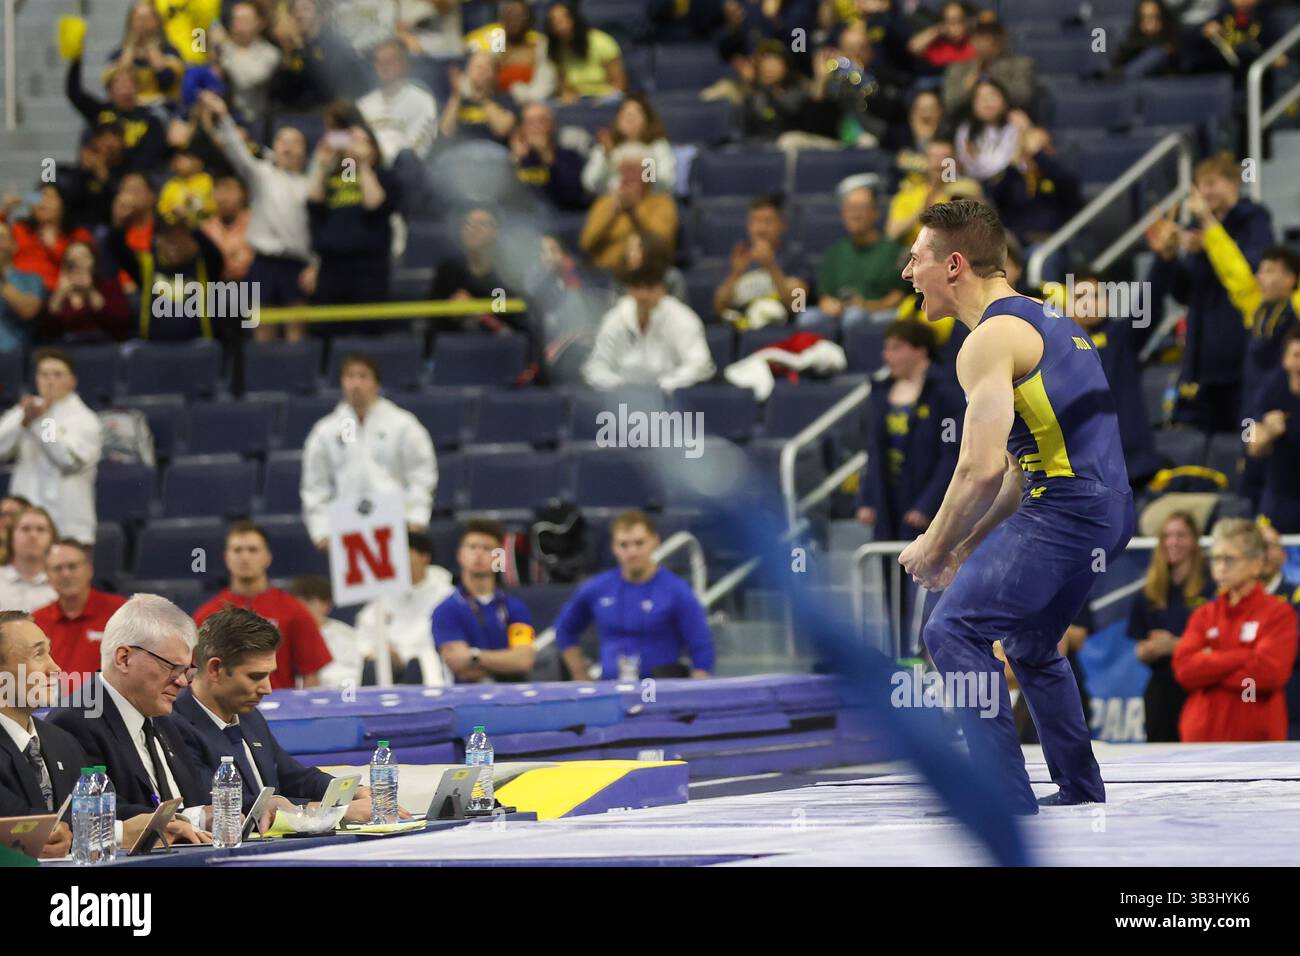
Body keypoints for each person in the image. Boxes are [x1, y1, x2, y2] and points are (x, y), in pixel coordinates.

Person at [898, 199, 1135, 812]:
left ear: (953, 264)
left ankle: (1001, 800)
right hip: (1103, 508)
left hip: (1067, 507)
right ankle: (1081, 792)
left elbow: (977, 468)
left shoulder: (986, 342)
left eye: (916, 259)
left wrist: (934, 545)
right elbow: (1014, 469)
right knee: (1030, 646)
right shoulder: (1048, 321)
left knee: (951, 628)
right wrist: (970, 544)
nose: (907, 273)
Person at [0, 611, 207, 855]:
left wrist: (162, 821)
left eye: (50, 652)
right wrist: (118, 833)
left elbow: (89, 811)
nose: (55, 668)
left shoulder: (59, 742)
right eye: (37, 654)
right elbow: (22, 822)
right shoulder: (72, 724)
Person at [172, 606, 372, 821]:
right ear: (215, 669)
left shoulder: (250, 716)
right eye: (255, 676)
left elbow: (294, 776)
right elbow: (227, 806)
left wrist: (352, 791)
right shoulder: (175, 725)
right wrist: (334, 812)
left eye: (269, 675)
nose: (267, 689)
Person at [48, 594, 214, 828]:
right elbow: (95, 813)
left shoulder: (166, 719)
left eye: (186, 670)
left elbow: (198, 797)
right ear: (124, 659)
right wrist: (194, 818)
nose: (182, 682)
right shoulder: (76, 721)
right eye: (172, 667)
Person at [1146, 152, 1275, 432]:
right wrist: (1169, 257)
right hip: (1204, 361)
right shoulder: (1196, 228)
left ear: (1233, 184)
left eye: (1212, 182)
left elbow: (1253, 274)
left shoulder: (1253, 219)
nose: (1205, 191)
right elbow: (1184, 293)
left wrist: (1210, 242)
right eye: (1200, 184)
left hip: (1243, 355)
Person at [199, 90, 311, 340]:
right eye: (283, 141)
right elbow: (235, 150)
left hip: (297, 264)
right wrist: (224, 116)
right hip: (263, 262)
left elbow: (320, 229)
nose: (288, 147)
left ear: (304, 152)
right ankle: (264, 377)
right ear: (275, 146)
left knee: (296, 330)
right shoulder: (262, 175)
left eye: (295, 143)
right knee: (262, 330)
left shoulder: (311, 185)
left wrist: (315, 265)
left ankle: (297, 376)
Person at [1172, 518, 1298, 741]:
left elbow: (1268, 674)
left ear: (1257, 564)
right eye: (1216, 559)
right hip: (1199, 744)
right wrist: (1245, 655)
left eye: (1229, 559)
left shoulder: (1278, 613)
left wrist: (1210, 662)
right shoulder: (1204, 614)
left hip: (1258, 748)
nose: (1220, 568)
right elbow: (1184, 670)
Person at [556, 511, 714, 681]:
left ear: (655, 541)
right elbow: (564, 629)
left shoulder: (676, 591)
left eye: (639, 543)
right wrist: (580, 675)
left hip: (658, 690)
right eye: (624, 545)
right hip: (611, 689)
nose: (632, 552)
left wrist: (694, 695)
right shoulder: (597, 588)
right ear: (613, 547)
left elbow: (701, 649)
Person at [302, 354, 437, 549]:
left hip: (395, 523)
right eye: (350, 376)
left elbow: (422, 474)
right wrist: (321, 530)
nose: (356, 384)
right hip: (346, 526)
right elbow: (315, 485)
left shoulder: (402, 424)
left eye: (363, 376)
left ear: (376, 383)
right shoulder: (327, 431)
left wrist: (416, 518)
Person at [1191, 182, 1298, 410]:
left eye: (1269, 272)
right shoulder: (1256, 307)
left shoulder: (1296, 307)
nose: (1259, 277)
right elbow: (1233, 270)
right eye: (1260, 271)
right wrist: (1208, 222)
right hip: (1256, 414)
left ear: (1290, 278)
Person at [1049, 273, 1163, 488]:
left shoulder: (1121, 336)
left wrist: (1164, 262)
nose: (1089, 303)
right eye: (1081, 296)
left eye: (1096, 296)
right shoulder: (1052, 349)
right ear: (1066, 303)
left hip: (1129, 466)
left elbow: (1152, 303)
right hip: (1077, 469)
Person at [192, 520, 333, 690]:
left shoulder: (293, 610)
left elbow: (311, 674)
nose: (244, 557)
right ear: (227, 558)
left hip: (279, 708)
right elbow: (195, 671)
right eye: (237, 550)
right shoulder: (207, 614)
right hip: (225, 712)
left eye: (253, 550)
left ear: (268, 557)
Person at [856, 321, 964, 541]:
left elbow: (951, 456)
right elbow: (873, 452)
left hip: (926, 497)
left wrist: (930, 503)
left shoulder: (945, 394)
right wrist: (867, 499)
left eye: (896, 348)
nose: (887, 356)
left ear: (920, 350)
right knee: (889, 568)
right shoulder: (880, 393)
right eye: (886, 348)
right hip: (888, 501)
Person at [0, 349, 102, 546]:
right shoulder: (25, 410)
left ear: (72, 381)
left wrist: (39, 423)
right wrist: (22, 423)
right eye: (44, 374)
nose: (50, 381)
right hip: (26, 525)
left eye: (57, 375)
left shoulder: (86, 420)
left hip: (69, 528)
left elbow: (67, 460)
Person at [1127, 512, 1213, 741]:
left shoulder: (1211, 589)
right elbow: (1139, 647)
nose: (1172, 542)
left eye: (1181, 535)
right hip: (1162, 690)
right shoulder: (1148, 593)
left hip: (1200, 688)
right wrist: (1146, 650)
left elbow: (1222, 647)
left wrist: (1175, 645)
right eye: (1167, 536)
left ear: (1195, 541)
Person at [304, 106, 397, 312]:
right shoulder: (333, 177)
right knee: (327, 334)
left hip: (367, 268)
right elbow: (314, 205)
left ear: (373, 148)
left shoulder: (383, 176)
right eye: (349, 141)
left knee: (364, 334)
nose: (352, 147)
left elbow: (376, 206)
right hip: (332, 265)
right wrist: (322, 165)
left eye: (360, 141)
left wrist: (362, 165)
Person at [583, 258, 715, 392]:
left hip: (671, 400)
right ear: (629, 290)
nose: (643, 295)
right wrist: (621, 387)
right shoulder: (615, 318)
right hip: (621, 400)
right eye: (637, 287)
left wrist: (665, 385)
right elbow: (596, 366)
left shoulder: (684, 318)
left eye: (650, 287)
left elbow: (700, 365)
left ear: (662, 289)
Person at [433, 520, 536, 683]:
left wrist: (474, 656)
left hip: (514, 696)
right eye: (472, 547)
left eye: (487, 549)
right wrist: (506, 662)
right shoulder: (446, 610)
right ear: (460, 555)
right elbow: (461, 668)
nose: (479, 554)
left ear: (499, 558)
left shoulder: (515, 607)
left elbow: (524, 660)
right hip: (466, 699)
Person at [797, 184, 909, 333]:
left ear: (875, 213)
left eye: (861, 208)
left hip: (876, 314)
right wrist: (830, 305)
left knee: (854, 317)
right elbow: (824, 296)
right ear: (843, 214)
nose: (855, 215)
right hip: (840, 314)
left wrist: (865, 306)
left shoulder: (893, 251)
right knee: (807, 319)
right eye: (850, 208)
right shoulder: (834, 252)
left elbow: (898, 298)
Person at [356, 529, 455, 685]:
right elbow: (365, 635)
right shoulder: (383, 594)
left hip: (430, 664)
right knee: (372, 667)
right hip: (391, 667)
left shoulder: (446, 594)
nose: (398, 560)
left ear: (424, 557)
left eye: (405, 553)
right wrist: (381, 650)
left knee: (419, 667)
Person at [33, 539, 127, 686]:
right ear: (48, 577)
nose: (66, 574)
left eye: (72, 566)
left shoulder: (121, 612)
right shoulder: (36, 621)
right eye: (57, 568)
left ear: (89, 569)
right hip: (50, 706)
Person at [712, 195, 809, 327]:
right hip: (742, 327)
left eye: (768, 221)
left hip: (779, 329)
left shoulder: (794, 257)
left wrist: (771, 267)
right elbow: (718, 309)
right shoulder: (738, 258)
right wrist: (735, 274)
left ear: (781, 225)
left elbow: (799, 306)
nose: (761, 229)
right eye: (755, 221)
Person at [579, 145, 678, 273]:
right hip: (607, 272)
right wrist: (612, 214)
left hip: (649, 273)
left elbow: (663, 246)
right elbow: (586, 244)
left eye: (635, 170)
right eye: (625, 170)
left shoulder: (662, 203)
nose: (629, 176)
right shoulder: (605, 203)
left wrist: (633, 215)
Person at [429, 206, 525, 336]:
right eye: (467, 224)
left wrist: (477, 312)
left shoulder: (507, 276)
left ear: (495, 231)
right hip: (454, 348)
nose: (473, 230)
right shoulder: (447, 272)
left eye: (482, 225)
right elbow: (432, 323)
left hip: (496, 349)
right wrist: (451, 312)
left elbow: (510, 332)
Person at [64, 58, 167, 174]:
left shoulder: (150, 121)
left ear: (137, 88)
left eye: (129, 83)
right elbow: (74, 93)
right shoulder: (99, 111)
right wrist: (76, 57)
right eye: (118, 83)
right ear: (109, 90)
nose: (125, 89)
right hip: (97, 174)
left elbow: (148, 160)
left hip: (131, 179)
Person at [1245, 328, 1300, 532]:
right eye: (1296, 355)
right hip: (1281, 494)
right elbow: (1252, 446)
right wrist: (1268, 432)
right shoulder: (1270, 389)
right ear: (1285, 360)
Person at [886, 139, 983, 247]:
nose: (939, 163)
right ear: (926, 160)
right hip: (914, 253)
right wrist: (922, 210)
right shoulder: (909, 193)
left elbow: (984, 227)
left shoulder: (966, 190)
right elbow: (892, 233)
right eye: (934, 157)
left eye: (945, 158)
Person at [357, 38, 440, 166]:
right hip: (368, 167)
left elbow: (418, 151)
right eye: (379, 61)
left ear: (403, 64)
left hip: (403, 171)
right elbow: (354, 145)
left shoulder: (422, 102)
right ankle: (348, 184)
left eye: (390, 61)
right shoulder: (363, 105)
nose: (384, 66)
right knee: (348, 161)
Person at [581, 94, 676, 197]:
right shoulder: (606, 147)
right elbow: (590, 184)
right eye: (625, 114)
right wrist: (606, 157)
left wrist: (643, 166)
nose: (630, 118)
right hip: (613, 204)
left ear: (647, 120)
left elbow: (666, 182)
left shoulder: (657, 146)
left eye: (636, 114)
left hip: (650, 204)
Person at [464, 1, 556, 105]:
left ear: (530, 21)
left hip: (529, 104)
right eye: (509, 16)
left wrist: (523, 95)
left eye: (519, 17)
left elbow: (545, 86)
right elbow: (482, 73)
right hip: (497, 104)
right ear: (502, 20)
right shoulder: (498, 42)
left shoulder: (539, 45)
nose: (514, 21)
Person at [941, 17, 1035, 114]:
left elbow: (1023, 99)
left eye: (990, 35)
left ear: (1000, 39)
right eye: (979, 36)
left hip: (1008, 121)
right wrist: (971, 79)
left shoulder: (1021, 65)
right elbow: (950, 104)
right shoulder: (957, 68)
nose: (985, 41)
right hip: (969, 122)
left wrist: (992, 70)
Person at [43, 241, 131, 343]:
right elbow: (48, 332)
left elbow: (120, 325)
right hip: (67, 347)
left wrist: (90, 291)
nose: (78, 262)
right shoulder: (57, 292)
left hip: (103, 345)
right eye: (72, 258)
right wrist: (61, 293)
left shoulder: (109, 286)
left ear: (94, 261)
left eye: (83, 257)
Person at [510, 102, 589, 213]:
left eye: (541, 121)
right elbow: (504, 197)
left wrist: (546, 155)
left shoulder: (569, 157)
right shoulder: (513, 159)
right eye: (530, 122)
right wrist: (514, 162)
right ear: (522, 128)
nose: (536, 127)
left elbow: (571, 196)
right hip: (521, 221)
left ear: (552, 125)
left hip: (558, 218)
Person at [288, 576, 365, 689]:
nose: (302, 608)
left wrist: (317, 678)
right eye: (298, 603)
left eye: (310, 602)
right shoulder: (283, 634)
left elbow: (353, 676)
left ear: (327, 605)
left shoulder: (344, 634)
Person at [213, 1, 281, 125]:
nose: (236, 24)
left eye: (243, 20)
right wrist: (204, 40)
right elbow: (199, 54)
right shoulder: (224, 46)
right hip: (220, 118)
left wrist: (223, 50)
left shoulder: (270, 54)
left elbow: (243, 80)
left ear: (259, 23)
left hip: (251, 121)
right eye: (235, 19)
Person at [105, 1, 185, 107]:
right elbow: (115, 84)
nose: (143, 23)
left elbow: (167, 81)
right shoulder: (117, 54)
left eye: (148, 18)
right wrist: (130, 48)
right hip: (130, 110)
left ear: (157, 21)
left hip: (163, 108)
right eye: (138, 18)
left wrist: (151, 47)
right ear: (130, 22)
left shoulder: (170, 52)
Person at [545, 1, 626, 102]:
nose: (561, 26)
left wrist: (603, 99)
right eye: (555, 23)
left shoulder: (602, 42)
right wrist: (567, 95)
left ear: (575, 19)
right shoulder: (557, 50)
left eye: (565, 19)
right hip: (577, 102)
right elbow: (563, 87)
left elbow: (619, 85)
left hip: (605, 100)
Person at [953, 78, 1025, 183]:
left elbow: (1019, 166)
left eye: (992, 96)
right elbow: (964, 169)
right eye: (980, 97)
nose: (986, 101)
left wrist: (1023, 133)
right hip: (974, 188)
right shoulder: (965, 130)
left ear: (1005, 101)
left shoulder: (1016, 125)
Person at [437, 50, 518, 144]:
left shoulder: (505, 98)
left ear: (494, 74)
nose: (481, 71)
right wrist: (456, 96)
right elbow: (445, 131)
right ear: (467, 71)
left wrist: (481, 98)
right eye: (477, 67)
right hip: (460, 149)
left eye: (486, 67)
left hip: (491, 149)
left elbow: (502, 130)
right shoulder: (455, 98)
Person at [0, 507, 57, 614]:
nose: (33, 535)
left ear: (52, 539)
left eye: (41, 529)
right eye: (25, 529)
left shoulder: (61, 584)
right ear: (11, 537)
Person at [0, 220, 44, 353]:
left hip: (14, 358)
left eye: (1, 238)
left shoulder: (31, 279)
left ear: (14, 246)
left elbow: (28, 311)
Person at [1112, 0, 1182, 77]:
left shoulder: (1177, 51)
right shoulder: (1129, 49)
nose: (1151, 23)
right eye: (1145, 18)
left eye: (1156, 17)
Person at [907, 0, 975, 76]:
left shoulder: (974, 42)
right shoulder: (937, 42)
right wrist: (938, 30)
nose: (955, 27)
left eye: (959, 21)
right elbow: (913, 47)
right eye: (950, 22)